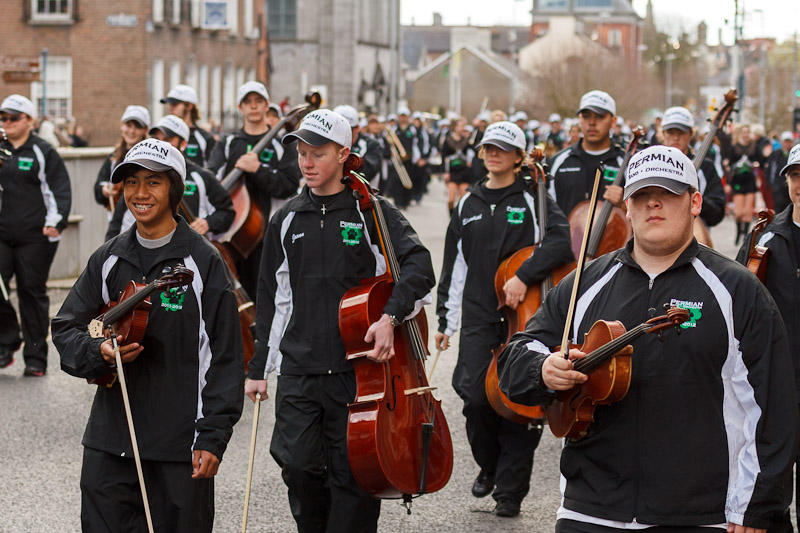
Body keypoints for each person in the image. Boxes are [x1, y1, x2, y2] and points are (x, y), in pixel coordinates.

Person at [498, 144, 798, 532]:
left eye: (667, 194)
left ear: (694, 202)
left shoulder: (737, 289)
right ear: (627, 206)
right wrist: (542, 369)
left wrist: (756, 508)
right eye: (641, 195)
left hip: (699, 514)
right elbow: (518, 354)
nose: (652, 204)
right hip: (589, 509)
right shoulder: (584, 283)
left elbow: (772, 406)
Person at [244, 109, 435, 532]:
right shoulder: (287, 218)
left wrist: (390, 315)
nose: (307, 162)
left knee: (354, 477)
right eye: (302, 153)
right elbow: (272, 296)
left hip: (358, 371)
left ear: (344, 153)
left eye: (318, 153)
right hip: (301, 367)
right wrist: (259, 368)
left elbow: (420, 266)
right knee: (298, 466)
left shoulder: (373, 212)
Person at [51, 138, 244, 532]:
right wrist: (97, 350)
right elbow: (65, 326)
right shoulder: (108, 257)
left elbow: (223, 357)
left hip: (178, 445)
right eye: (132, 182)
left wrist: (212, 437)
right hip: (109, 440)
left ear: (175, 190)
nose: (140, 193)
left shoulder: (203, 261)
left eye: (153, 182)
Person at [435, 121, 574, 518]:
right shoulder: (468, 202)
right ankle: (489, 464)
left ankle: (510, 492)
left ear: (518, 157)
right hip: (480, 311)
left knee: (520, 401)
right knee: (475, 396)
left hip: (525, 314)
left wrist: (523, 275)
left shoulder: (534, 196)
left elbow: (561, 242)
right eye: (487, 148)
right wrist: (447, 319)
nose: (493, 154)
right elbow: (454, 265)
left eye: (502, 148)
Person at [736, 143, 800, 532]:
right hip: (776, 384)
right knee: (770, 493)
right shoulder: (766, 240)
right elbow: (740, 306)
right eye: (796, 176)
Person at [207, 81, 302, 298]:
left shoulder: (282, 145)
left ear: (267, 105)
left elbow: (288, 186)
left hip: (267, 233)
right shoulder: (228, 143)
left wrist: (258, 169)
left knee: (266, 294)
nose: (253, 106)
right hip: (230, 232)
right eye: (247, 102)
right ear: (240, 108)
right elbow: (212, 181)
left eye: (258, 101)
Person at [0, 94, 71, 376]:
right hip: (2, 234)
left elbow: (60, 189)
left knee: (31, 292)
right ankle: (7, 341)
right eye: (3, 118)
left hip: (35, 236)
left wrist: (56, 221)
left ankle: (35, 357)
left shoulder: (43, 151)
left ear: (29, 120)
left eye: (13, 118)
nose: (7, 123)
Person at [105, 115, 235, 241]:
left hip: (187, 250)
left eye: (167, 139)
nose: (161, 143)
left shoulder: (202, 176)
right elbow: (117, 221)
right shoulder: (139, 175)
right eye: (157, 138)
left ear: (183, 143)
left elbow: (227, 212)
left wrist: (208, 223)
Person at [548, 90, 626, 219]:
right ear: (579, 119)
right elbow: (547, 215)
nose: (592, 122)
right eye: (586, 116)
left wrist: (623, 206)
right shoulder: (557, 162)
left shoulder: (626, 164)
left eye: (600, 116)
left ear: (613, 121)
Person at [660, 106, 726, 232]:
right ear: (663, 134)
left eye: (681, 132)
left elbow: (717, 214)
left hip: (696, 241)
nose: (675, 137)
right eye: (671, 132)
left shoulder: (706, 167)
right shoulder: (652, 166)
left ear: (691, 134)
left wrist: (694, 200)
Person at [94, 105, 150, 214]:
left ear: (146, 130)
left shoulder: (151, 158)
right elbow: (98, 187)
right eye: (128, 126)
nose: (132, 131)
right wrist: (105, 190)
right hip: (118, 224)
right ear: (121, 125)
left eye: (137, 127)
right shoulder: (113, 158)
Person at [161, 84, 216, 167]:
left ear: (189, 106)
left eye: (175, 104)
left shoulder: (205, 138)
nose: (171, 108)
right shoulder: (161, 136)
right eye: (170, 104)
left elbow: (211, 172)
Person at [729, 124, 765, 245]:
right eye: (743, 132)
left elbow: (762, 160)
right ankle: (739, 231)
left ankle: (745, 237)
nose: (746, 135)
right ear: (740, 134)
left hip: (750, 180)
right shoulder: (734, 147)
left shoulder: (754, 146)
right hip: (738, 181)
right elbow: (729, 163)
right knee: (739, 213)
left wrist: (756, 164)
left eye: (747, 132)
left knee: (747, 213)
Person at [334, 104, 382, 190]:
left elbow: (367, 173)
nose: (342, 134)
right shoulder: (330, 145)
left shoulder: (372, 145)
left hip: (363, 198)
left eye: (347, 130)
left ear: (357, 128)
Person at [441, 116, 474, 212]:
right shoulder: (447, 140)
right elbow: (443, 156)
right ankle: (452, 216)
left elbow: (473, 151)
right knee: (451, 200)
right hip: (452, 171)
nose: (463, 128)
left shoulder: (466, 140)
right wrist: (445, 172)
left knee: (462, 200)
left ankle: (458, 219)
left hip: (464, 171)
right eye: (461, 126)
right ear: (455, 127)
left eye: (464, 126)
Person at [768, 132, 795, 214]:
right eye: (785, 141)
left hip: (790, 185)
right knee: (778, 207)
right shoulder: (776, 154)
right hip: (778, 185)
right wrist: (770, 183)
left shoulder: (794, 154)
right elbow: (771, 168)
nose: (787, 144)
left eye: (789, 141)